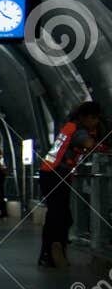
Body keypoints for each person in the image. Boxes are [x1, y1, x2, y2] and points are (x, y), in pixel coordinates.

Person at [37, 101, 104, 267]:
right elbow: (88, 144)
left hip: (51, 173)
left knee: (60, 216)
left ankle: (53, 251)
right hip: (55, 175)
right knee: (58, 216)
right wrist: (101, 144)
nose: (96, 122)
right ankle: (51, 252)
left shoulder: (69, 127)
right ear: (85, 117)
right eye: (94, 118)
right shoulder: (78, 131)